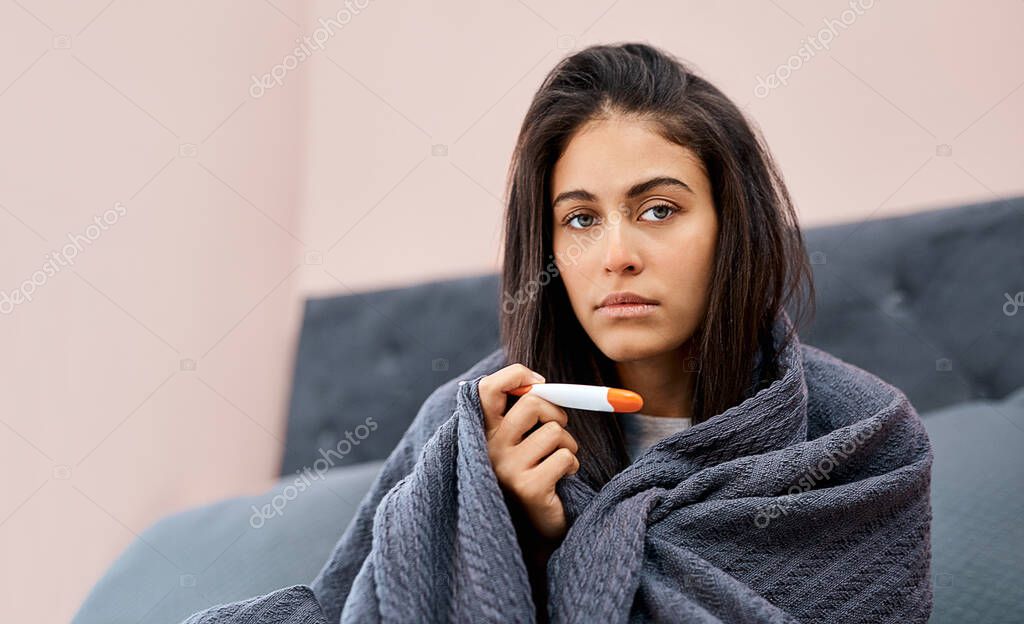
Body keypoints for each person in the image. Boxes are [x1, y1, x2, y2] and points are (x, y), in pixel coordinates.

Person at [479, 41, 812, 620]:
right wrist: (506, 528)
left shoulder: (865, 440)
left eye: (658, 209)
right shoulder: (477, 431)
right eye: (581, 219)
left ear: (732, 226)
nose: (616, 256)